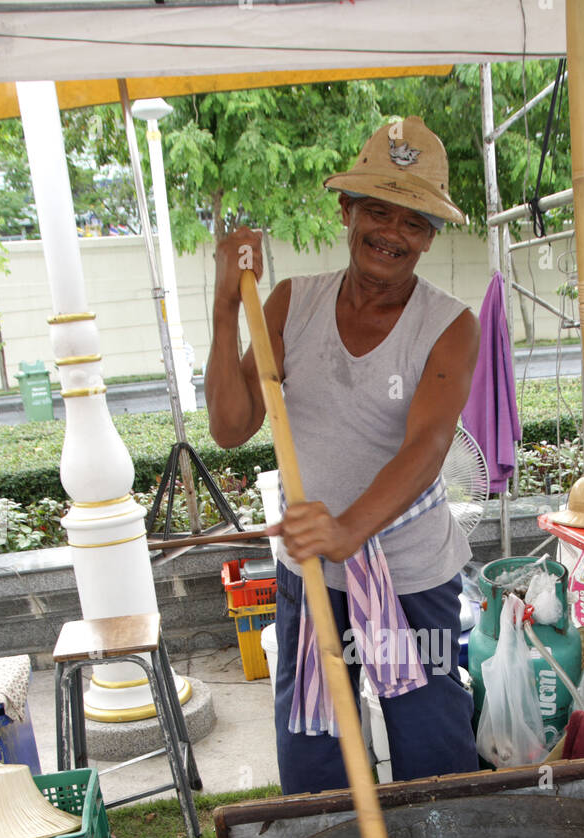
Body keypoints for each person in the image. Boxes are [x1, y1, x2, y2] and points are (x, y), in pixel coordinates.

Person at [205, 117, 481, 794]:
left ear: (430, 236)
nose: (393, 233)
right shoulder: (292, 301)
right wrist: (221, 308)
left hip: (412, 577)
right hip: (312, 577)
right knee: (312, 755)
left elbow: (428, 446)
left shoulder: (450, 325)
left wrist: (347, 529)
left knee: (433, 758)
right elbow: (231, 426)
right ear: (347, 211)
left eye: (414, 221)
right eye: (378, 211)